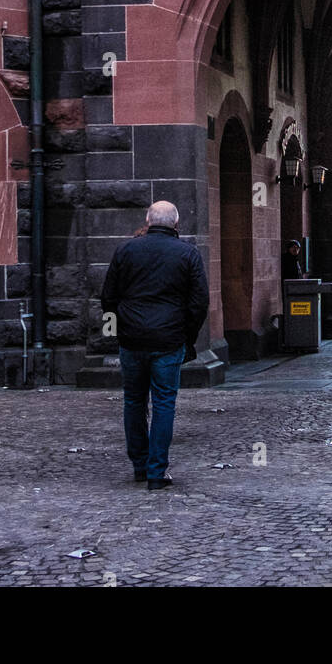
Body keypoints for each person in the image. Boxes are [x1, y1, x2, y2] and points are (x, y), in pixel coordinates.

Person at [100, 200, 209, 491]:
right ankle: (157, 471)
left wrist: (116, 330)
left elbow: (108, 297)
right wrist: (187, 337)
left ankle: (139, 464)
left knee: (134, 402)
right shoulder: (188, 254)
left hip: (132, 339)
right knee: (164, 404)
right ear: (176, 223)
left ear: (148, 220)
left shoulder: (125, 250)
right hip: (168, 339)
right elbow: (199, 303)